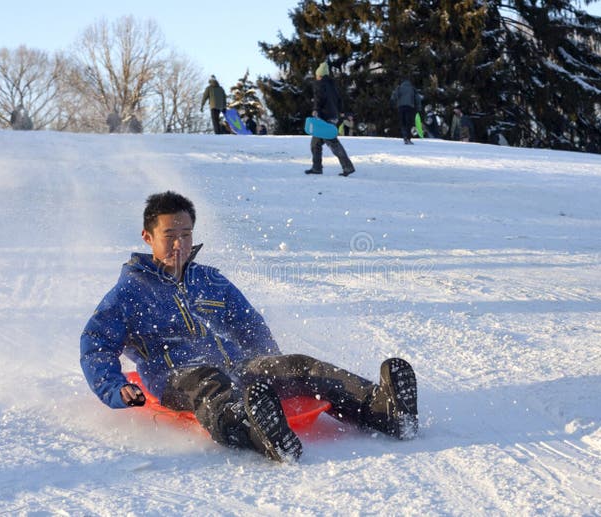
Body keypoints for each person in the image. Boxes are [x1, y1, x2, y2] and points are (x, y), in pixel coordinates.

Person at [80, 191, 418, 463]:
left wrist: (273, 369)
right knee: (209, 383)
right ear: (147, 237)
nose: (179, 244)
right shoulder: (130, 292)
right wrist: (115, 387)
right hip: (176, 378)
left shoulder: (209, 279)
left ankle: (382, 410)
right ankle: (256, 433)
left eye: (186, 234)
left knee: (298, 364)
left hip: (234, 367)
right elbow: (96, 343)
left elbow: (248, 323)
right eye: (169, 236)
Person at [305, 61, 355, 177]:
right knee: (315, 143)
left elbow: (318, 99)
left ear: (320, 75)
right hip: (334, 117)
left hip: (324, 118)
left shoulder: (319, 84)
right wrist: (341, 113)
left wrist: (316, 109)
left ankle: (348, 167)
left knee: (333, 143)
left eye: (317, 75)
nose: (316, 77)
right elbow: (339, 100)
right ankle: (317, 167)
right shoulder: (333, 86)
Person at [390, 79, 421, 144]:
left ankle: (405, 137)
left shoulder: (399, 88)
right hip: (409, 107)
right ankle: (408, 138)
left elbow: (394, 96)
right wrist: (418, 108)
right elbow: (417, 99)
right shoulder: (412, 88)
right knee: (408, 123)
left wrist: (394, 103)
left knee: (403, 123)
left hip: (401, 107)